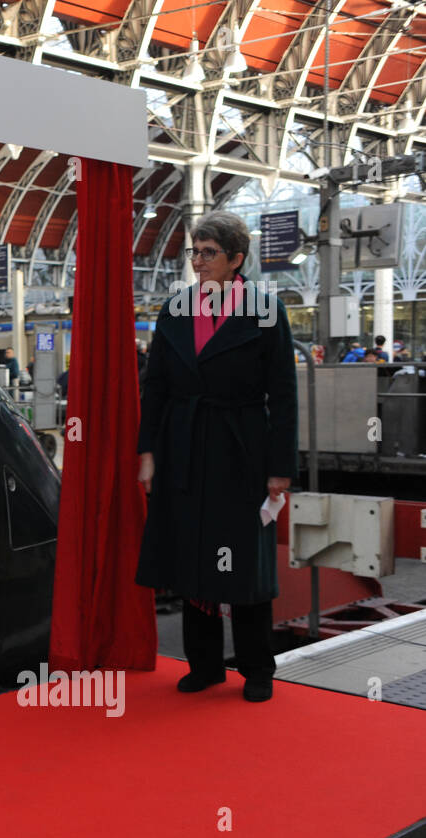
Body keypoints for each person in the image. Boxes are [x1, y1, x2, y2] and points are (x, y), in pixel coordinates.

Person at [136, 211, 298, 703]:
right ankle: (205, 665)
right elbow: (156, 386)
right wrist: (146, 450)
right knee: (193, 555)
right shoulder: (175, 309)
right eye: (194, 251)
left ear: (236, 259)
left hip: (241, 446)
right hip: (183, 444)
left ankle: (257, 669)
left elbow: (284, 396)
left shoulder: (266, 311)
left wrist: (280, 470)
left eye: (209, 253)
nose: (198, 261)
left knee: (244, 561)